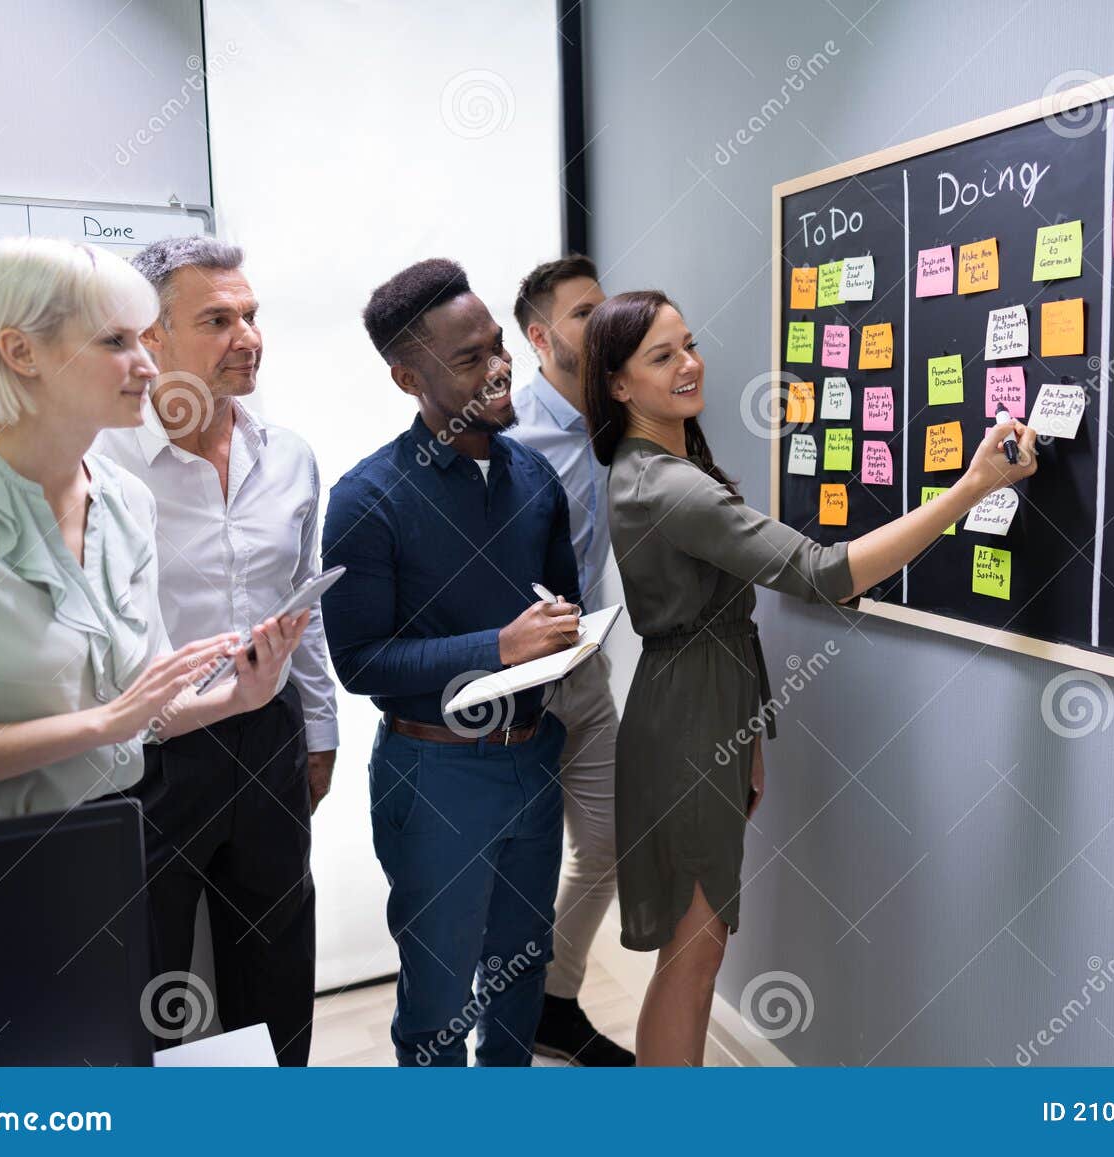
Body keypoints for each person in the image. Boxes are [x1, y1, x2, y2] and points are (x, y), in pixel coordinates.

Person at [582, 290, 1037, 1065]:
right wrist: (968, 491)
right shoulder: (670, 485)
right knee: (695, 960)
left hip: (695, 713)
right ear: (618, 384)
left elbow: (717, 620)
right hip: (689, 725)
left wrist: (748, 734)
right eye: (662, 356)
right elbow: (825, 574)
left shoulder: (653, 463)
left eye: (688, 343)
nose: (689, 364)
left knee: (694, 950)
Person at [0, 237, 307, 833]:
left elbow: (142, 709)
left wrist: (241, 698)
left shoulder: (125, 499)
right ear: (20, 352)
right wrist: (100, 726)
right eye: (115, 341)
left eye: (143, 338)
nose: (150, 366)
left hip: (110, 839)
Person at [322, 258, 580, 1066]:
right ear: (408, 378)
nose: (500, 367)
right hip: (433, 778)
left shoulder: (534, 478)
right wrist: (497, 648)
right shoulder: (367, 499)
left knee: (520, 982)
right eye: (470, 359)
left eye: (498, 346)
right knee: (437, 1004)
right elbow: (361, 663)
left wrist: (570, 633)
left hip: (532, 763)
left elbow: (559, 613)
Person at [93, 236, 338, 1068]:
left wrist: (321, 729)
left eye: (252, 315)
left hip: (268, 739)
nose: (248, 336)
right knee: (148, 971)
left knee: (276, 957)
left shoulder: (291, 458)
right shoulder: (98, 468)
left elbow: (303, 600)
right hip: (153, 754)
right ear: (151, 337)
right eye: (218, 319)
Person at [506, 255, 631, 1065]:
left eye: (604, 307)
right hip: (517, 686)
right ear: (540, 335)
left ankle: (553, 999)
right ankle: (508, 1027)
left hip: (588, 667)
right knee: (516, 867)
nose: (603, 323)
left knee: (615, 838)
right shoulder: (507, 434)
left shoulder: (622, 416)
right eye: (585, 314)